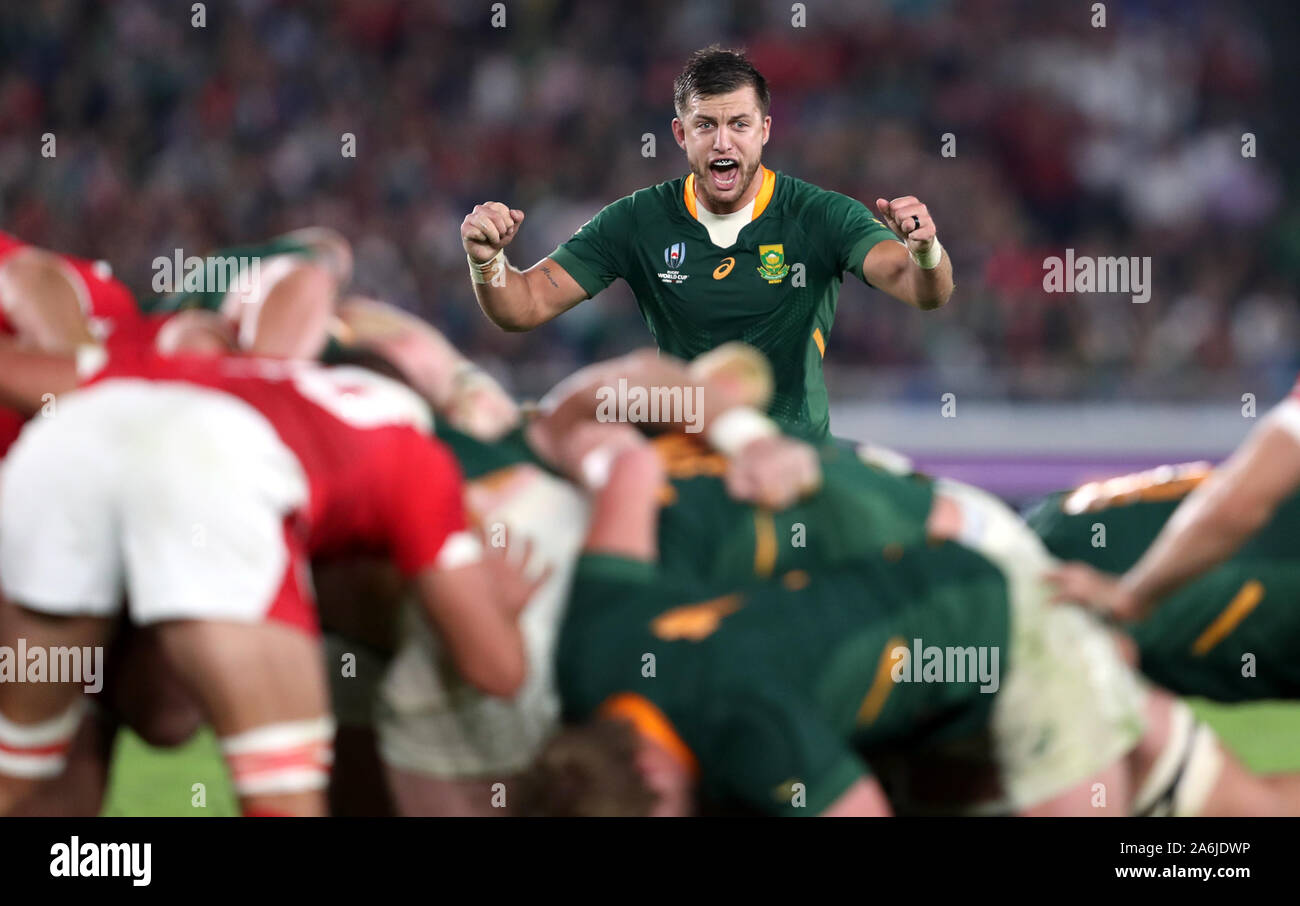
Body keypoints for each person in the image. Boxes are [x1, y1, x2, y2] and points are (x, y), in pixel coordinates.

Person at [0, 339, 537, 816]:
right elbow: (494, 669)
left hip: (65, 446)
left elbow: (28, 371)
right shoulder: (413, 445)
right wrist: (504, 609)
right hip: (219, 464)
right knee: (282, 793)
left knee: (17, 769)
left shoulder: (235, 372)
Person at [460, 46, 954, 438]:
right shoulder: (638, 220)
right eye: (706, 125)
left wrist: (925, 250)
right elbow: (522, 306)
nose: (723, 142)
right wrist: (487, 262)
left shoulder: (820, 215)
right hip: (690, 470)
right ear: (680, 133)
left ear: (765, 131)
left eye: (739, 124)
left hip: (796, 471)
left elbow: (922, 289)